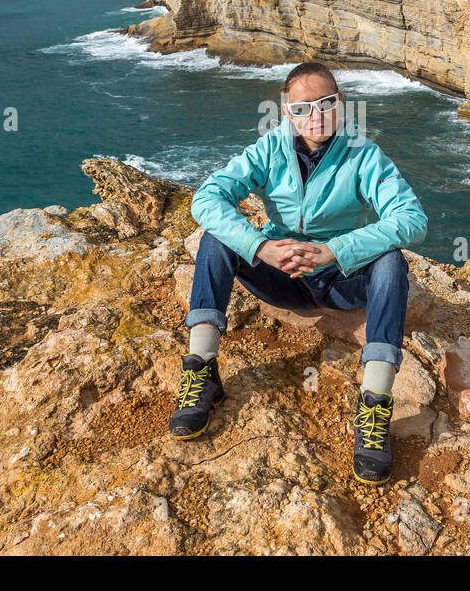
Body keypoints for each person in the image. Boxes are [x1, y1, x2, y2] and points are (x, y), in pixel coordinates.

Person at [170, 61, 428, 485]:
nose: (318, 115)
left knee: (391, 262)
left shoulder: (364, 154)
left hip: (340, 280)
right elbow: (208, 198)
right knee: (216, 239)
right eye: (304, 107)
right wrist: (261, 247)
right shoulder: (268, 149)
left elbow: (412, 220)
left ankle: (376, 403)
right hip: (282, 276)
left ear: (341, 104)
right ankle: (201, 371)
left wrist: (335, 250)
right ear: (288, 112)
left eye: (327, 103)